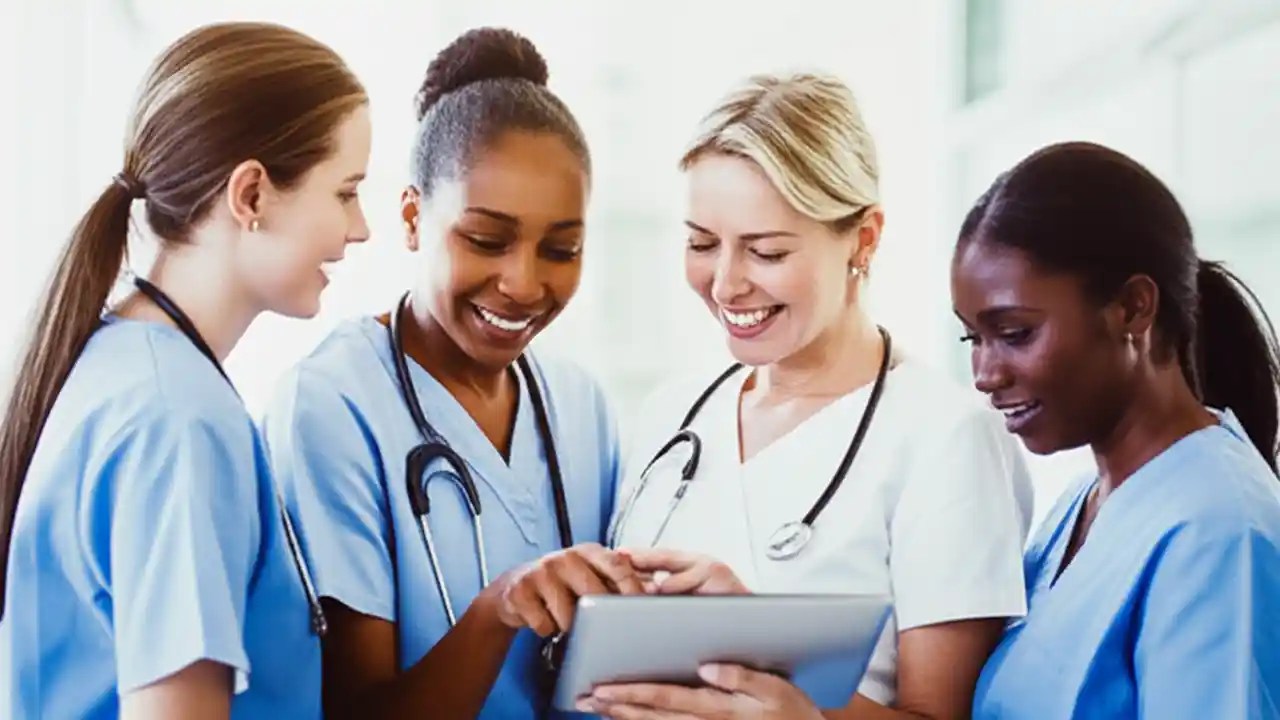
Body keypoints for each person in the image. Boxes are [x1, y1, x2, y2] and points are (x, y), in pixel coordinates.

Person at [582, 72, 1034, 720]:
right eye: (702, 244)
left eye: (765, 252)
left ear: (865, 238)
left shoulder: (946, 436)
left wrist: (793, 704)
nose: (726, 284)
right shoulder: (671, 415)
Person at [261, 27, 636, 720]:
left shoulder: (582, 408)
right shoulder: (333, 404)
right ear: (412, 218)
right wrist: (499, 609)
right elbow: (355, 711)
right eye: (486, 240)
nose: (523, 284)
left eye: (562, 249)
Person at [0, 21, 371, 720]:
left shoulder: (119, 365)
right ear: (252, 195)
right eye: (345, 192)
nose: (360, 228)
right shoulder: (179, 422)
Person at [950, 141, 1280, 719]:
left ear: (1132, 308)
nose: (984, 374)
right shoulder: (1078, 510)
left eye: (1015, 333)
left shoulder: (1218, 531)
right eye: (973, 339)